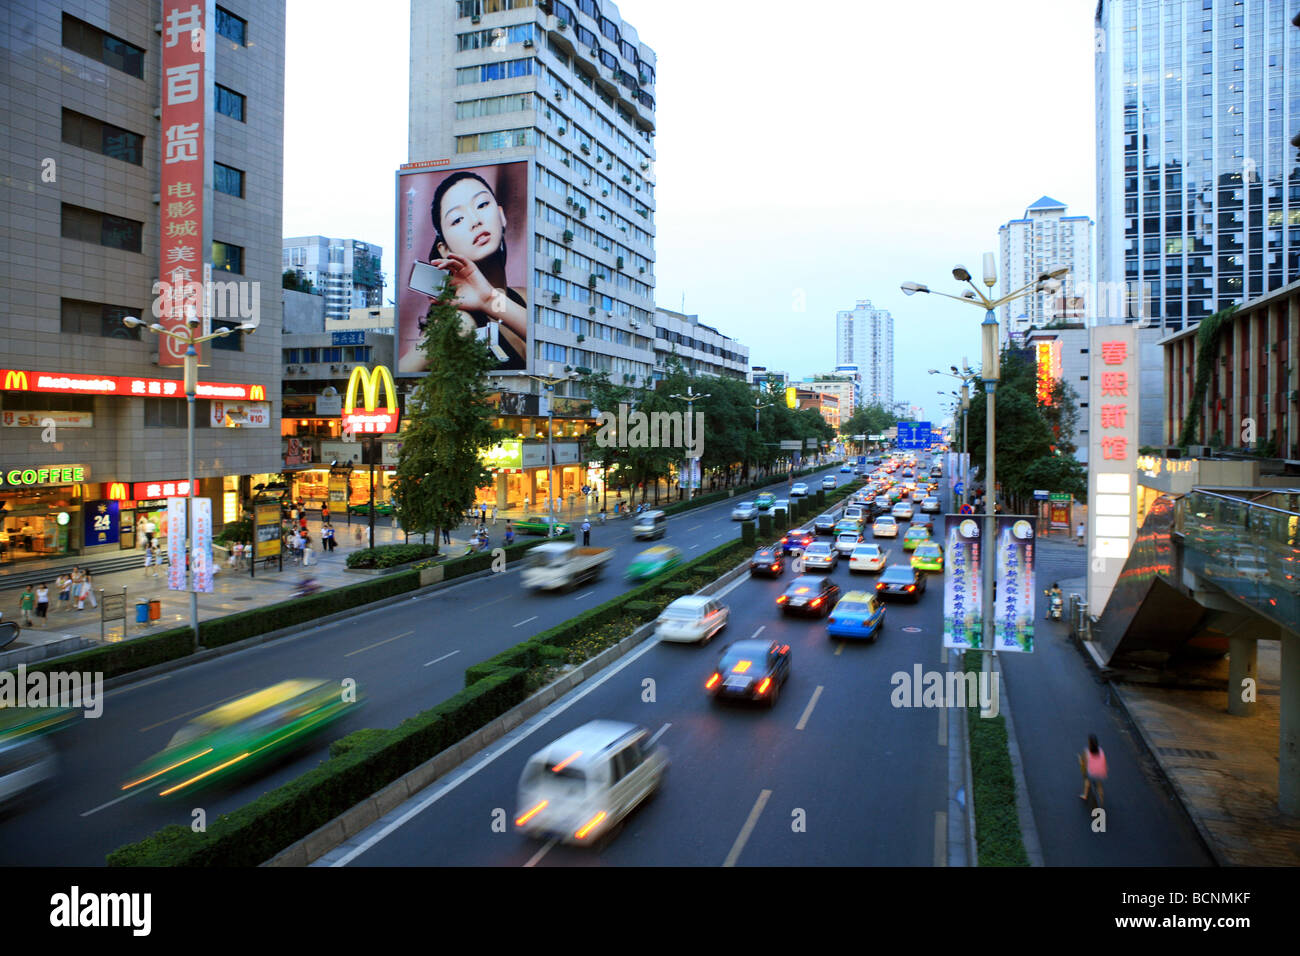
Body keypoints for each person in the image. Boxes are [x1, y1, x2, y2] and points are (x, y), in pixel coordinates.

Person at [418, 170, 528, 371]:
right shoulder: (460, 320)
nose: (475, 221)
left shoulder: (523, 297)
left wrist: (488, 299)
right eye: (457, 219)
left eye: (482, 204)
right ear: (444, 249)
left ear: (502, 216)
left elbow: (552, 343)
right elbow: (401, 371)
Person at [1080, 734, 1108, 805]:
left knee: (1087, 781)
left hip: (1092, 773)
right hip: (1101, 773)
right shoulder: (1101, 751)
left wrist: (1082, 763)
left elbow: (1085, 764)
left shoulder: (1087, 752)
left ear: (1089, 743)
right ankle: (1101, 801)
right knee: (1099, 786)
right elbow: (1104, 762)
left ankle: (1085, 795)